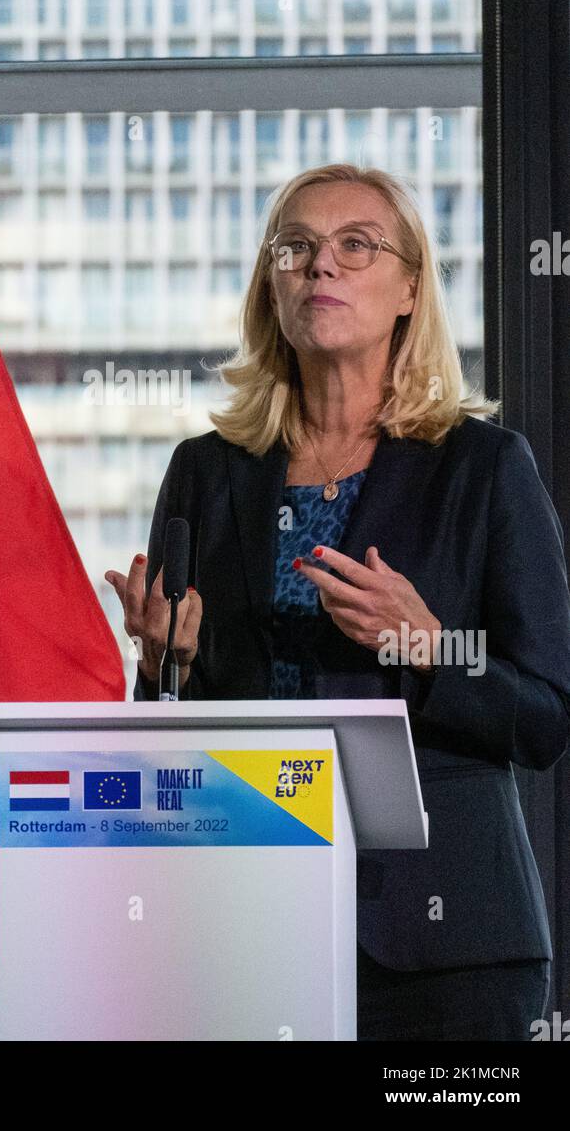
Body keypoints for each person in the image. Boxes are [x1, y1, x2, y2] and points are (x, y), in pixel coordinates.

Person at [105, 162, 570, 1042]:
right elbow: (174, 734)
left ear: (408, 288)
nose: (322, 265)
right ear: (270, 289)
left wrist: (430, 648)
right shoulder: (205, 473)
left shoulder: (483, 469)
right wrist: (165, 668)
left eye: (356, 245)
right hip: (247, 929)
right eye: (297, 247)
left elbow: (546, 716)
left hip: (444, 954)